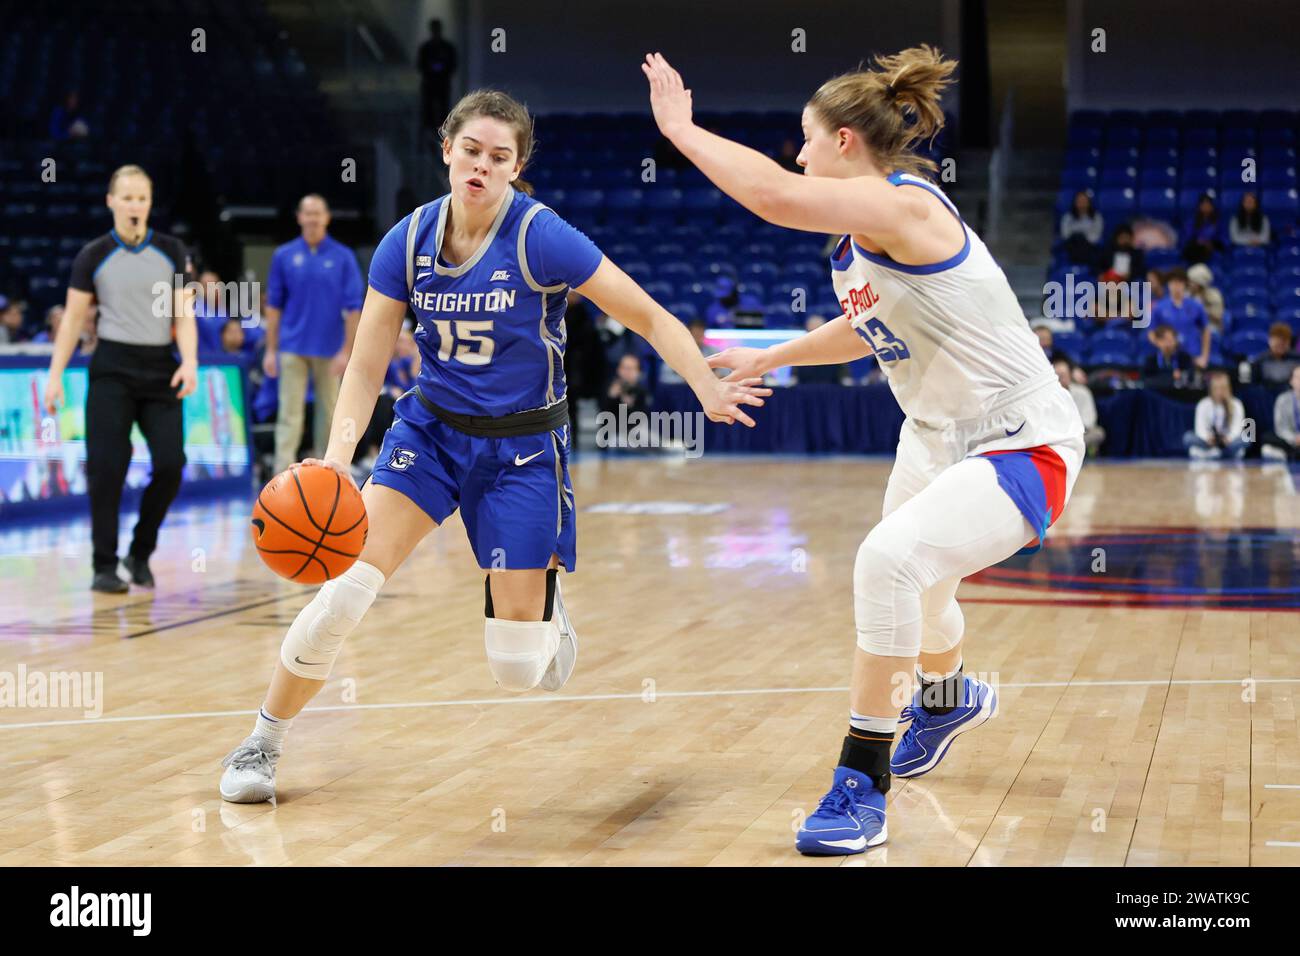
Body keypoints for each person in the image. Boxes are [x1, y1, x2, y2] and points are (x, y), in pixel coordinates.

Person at [218, 89, 769, 805]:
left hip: (521, 449)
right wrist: (335, 458)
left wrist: (703, 384)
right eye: (471, 150)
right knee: (344, 590)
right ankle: (263, 739)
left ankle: (540, 596)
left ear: (517, 168)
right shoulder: (407, 241)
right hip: (431, 435)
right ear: (447, 150)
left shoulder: (542, 237)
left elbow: (647, 313)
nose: (482, 165)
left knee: (520, 670)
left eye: (499, 157)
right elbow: (364, 363)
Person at [644, 47, 1084, 855]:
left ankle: (860, 782)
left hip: (1022, 439)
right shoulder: (857, 242)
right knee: (916, 595)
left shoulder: (906, 206)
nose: (799, 153)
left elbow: (774, 197)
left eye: (806, 138)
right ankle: (947, 700)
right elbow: (866, 329)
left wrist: (680, 129)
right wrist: (770, 356)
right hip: (934, 434)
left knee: (886, 563)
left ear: (845, 141)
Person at [42, 165, 198, 593]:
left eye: (142, 198)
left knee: (171, 465)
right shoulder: (92, 255)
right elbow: (73, 321)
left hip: (160, 369)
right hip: (111, 368)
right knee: (108, 469)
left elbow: (184, 315)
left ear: (150, 204)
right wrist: (55, 376)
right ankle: (104, 565)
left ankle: (140, 552)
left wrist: (189, 361)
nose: (134, 205)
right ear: (111, 201)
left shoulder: (172, 250)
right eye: (126, 197)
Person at [263, 194, 365, 476]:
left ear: (327, 217)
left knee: (330, 415)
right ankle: (280, 478)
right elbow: (273, 306)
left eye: (317, 213)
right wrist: (271, 350)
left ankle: (325, 476)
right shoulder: (283, 255)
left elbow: (354, 308)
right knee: (289, 415)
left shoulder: (343, 257)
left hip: (331, 349)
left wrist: (347, 351)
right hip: (292, 347)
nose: (312, 218)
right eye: (307, 213)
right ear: (299, 217)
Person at [1149, 268, 1210, 369]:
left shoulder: (1196, 306)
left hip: (1192, 356)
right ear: (1168, 285)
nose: (1176, 286)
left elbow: (1206, 331)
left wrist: (1204, 357)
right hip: (1169, 358)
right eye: (1173, 282)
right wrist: (1162, 345)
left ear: (1185, 284)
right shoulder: (1159, 307)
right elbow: (1151, 332)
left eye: (1179, 282)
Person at [1184, 371, 1246, 460]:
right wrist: (1207, 438)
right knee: (1188, 437)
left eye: (1222, 388)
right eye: (1216, 388)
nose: (1219, 391)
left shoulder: (1236, 404)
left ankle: (1211, 453)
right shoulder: (1203, 404)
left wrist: (1229, 439)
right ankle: (1216, 453)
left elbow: (1238, 428)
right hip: (1209, 441)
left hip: (1228, 442)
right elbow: (1199, 427)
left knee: (1247, 438)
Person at [417, 19, 458, 142]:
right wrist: (436, 69)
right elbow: (421, 65)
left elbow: (452, 65)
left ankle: (441, 134)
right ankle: (429, 135)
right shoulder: (427, 48)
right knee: (428, 111)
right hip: (431, 84)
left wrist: (438, 69)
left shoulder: (446, 47)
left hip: (441, 84)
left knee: (442, 110)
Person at [1054, 358, 1103, 456]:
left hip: (1078, 434)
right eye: (1057, 376)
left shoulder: (1083, 392)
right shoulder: (1048, 395)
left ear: (1070, 376)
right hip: (1055, 435)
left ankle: (1076, 451)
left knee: (1098, 433)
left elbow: (1089, 420)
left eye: (1062, 376)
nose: (1059, 379)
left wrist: (1072, 430)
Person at [1261, 366, 1300, 461]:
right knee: (1266, 449)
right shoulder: (1282, 399)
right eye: (1298, 378)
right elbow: (1280, 428)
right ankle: (1290, 455)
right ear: (1291, 381)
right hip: (1290, 442)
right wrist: (1294, 439)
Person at [1141, 323, 1194, 388]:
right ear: (1157, 341)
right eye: (1164, 340)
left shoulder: (1184, 358)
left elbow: (1190, 377)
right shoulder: (1150, 360)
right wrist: (1171, 376)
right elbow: (1146, 380)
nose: (1168, 344)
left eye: (1171, 340)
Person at [1059, 190, 1103, 264]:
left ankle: (1084, 272)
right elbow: (1065, 234)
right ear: (1075, 203)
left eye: (1084, 201)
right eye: (1079, 201)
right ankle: (1071, 273)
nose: (1082, 203)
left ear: (1089, 203)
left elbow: (1096, 235)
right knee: (1072, 249)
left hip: (1089, 246)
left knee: (1083, 246)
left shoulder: (1096, 217)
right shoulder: (1067, 217)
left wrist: (1083, 237)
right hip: (1072, 245)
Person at [1251, 322, 1299, 388]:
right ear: (1270, 341)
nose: (1280, 347)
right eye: (1277, 345)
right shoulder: (1261, 360)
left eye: (1283, 344)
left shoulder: (1296, 359)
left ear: (1289, 342)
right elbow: (1256, 383)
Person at [1181, 192, 1221, 265]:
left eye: (1208, 204)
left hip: (1211, 249)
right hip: (1194, 249)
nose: (1206, 206)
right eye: (1203, 204)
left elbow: (1223, 240)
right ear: (1199, 206)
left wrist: (1211, 243)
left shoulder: (1218, 223)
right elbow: (1186, 237)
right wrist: (1198, 241)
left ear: (1212, 206)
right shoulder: (1191, 222)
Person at [1186, 263, 1225, 334]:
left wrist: (1201, 308)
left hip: (1211, 326)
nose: (1189, 284)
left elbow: (1218, 316)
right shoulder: (1187, 294)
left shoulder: (1214, 295)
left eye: (1192, 282)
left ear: (1199, 284)